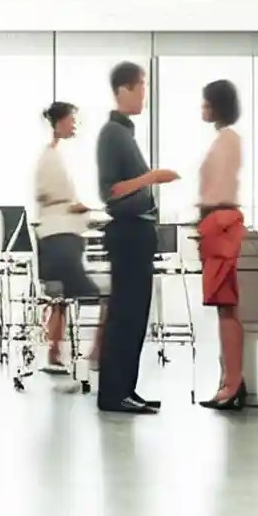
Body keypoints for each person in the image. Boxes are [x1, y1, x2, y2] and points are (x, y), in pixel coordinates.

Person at [96, 62, 180, 414]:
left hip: (136, 235)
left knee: (134, 316)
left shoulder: (124, 134)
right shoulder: (112, 135)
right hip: (128, 235)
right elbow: (111, 192)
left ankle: (124, 389)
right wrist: (152, 178)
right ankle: (115, 394)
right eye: (141, 86)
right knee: (126, 317)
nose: (145, 92)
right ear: (123, 90)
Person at [34, 102, 103, 371]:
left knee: (60, 296)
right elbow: (46, 195)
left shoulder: (53, 156)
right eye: (72, 119)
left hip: (57, 238)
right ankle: (98, 353)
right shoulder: (50, 157)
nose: (74, 124)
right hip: (60, 238)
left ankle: (55, 351)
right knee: (107, 297)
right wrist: (73, 206)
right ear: (60, 122)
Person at [195, 79, 248, 410]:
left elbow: (218, 190)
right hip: (217, 223)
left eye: (205, 103)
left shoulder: (227, 141)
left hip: (221, 223)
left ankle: (232, 384)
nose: (202, 108)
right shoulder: (225, 139)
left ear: (216, 105)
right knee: (223, 306)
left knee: (226, 305)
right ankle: (229, 380)